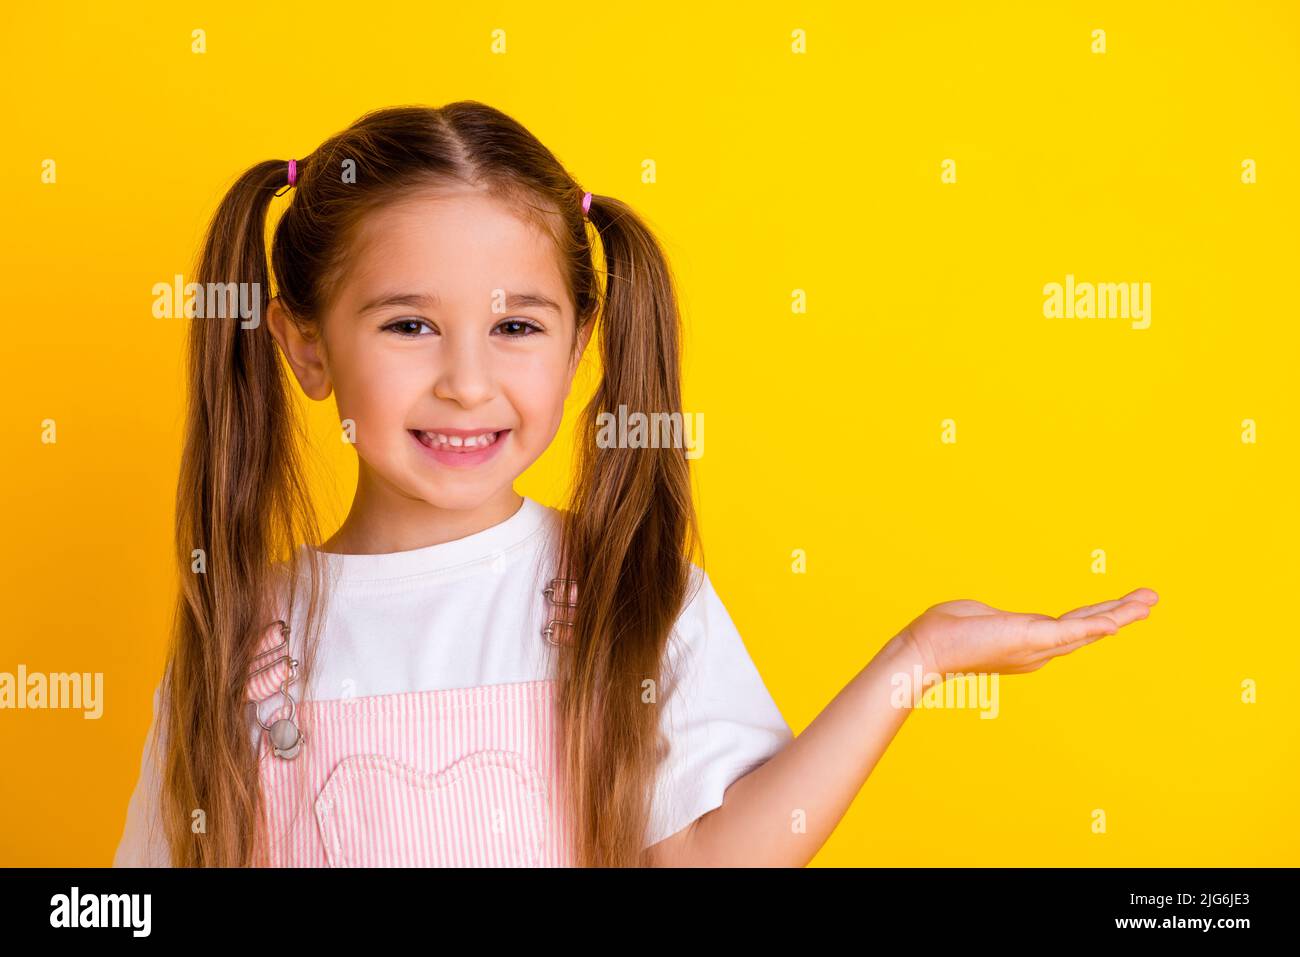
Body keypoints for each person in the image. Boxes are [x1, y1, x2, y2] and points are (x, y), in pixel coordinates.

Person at [112, 102, 1157, 868]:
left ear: (576, 353)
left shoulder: (628, 596)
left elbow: (714, 858)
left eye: (516, 326)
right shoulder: (241, 637)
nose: (468, 380)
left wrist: (915, 657)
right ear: (305, 349)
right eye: (408, 324)